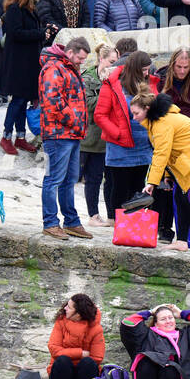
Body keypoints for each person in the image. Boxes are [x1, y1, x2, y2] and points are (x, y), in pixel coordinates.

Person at [133, 90, 190, 253]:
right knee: (180, 196)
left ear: (147, 109)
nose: (134, 117)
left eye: (136, 113)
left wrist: (152, 182)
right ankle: (182, 241)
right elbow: (169, 151)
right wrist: (168, 176)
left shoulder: (161, 123)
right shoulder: (155, 122)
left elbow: (161, 153)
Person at [39, 37, 92, 240]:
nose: (81, 62)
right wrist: (75, 121)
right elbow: (53, 100)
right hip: (57, 135)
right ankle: (50, 222)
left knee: (69, 180)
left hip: (70, 134)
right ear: (70, 52)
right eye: (80, 58)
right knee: (53, 179)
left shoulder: (67, 67)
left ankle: (71, 222)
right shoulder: (54, 68)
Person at [96, 45, 154, 221]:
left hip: (143, 146)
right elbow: (100, 115)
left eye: (148, 70)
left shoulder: (149, 84)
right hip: (120, 145)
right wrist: (118, 134)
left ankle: (134, 225)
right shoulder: (113, 85)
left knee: (138, 188)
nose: (146, 73)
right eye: (143, 70)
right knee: (120, 187)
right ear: (135, 69)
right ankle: (118, 224)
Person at [0, 0, 43, 154]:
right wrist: (40, 34)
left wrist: (42, 32)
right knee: (18, 101)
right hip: (18, 64)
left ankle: (20, 137)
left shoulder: (29, 9)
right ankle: (6, 137)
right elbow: (16, 33)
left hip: (29, 63)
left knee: (23, 101)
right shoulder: (15, 10)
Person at [79, 41, 118, 225]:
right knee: (85, 177)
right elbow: (87, 105)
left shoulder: (116, 78)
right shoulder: (88, 78)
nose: (113, 66)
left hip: (108, 138)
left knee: (103, 178)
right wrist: (106, 90)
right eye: (111, 62)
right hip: (89, 136)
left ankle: (103, 216)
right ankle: (89, 215)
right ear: (101, 59)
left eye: (116, 62)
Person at [47, 293, 105, 379]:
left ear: (78, 313)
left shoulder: (96, 328)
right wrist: (80, 353)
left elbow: (97, 357)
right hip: (60, 375)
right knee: (63, 361)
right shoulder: (60, 322)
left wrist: (76, 356)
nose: (65, 308)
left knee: (88, 363)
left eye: (69, 307)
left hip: (84, 377)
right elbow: (54, 349)